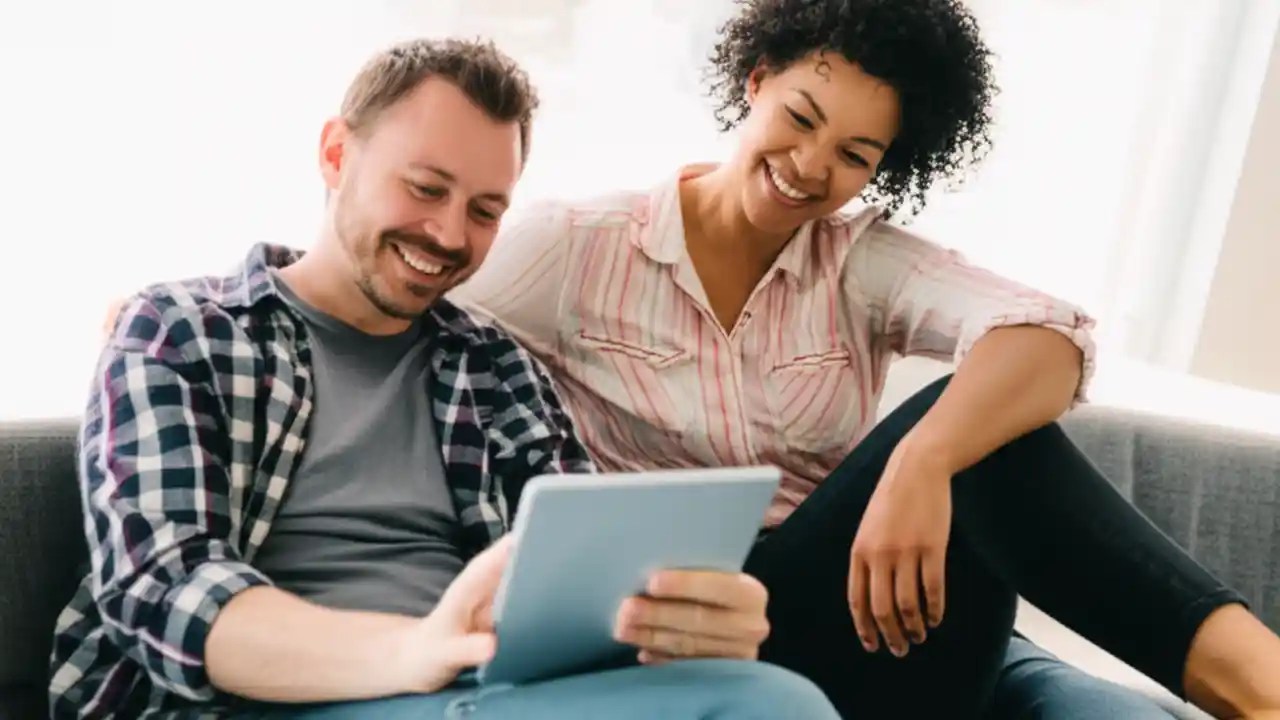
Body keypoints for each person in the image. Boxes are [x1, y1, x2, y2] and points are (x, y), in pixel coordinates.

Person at [446, 0, 1280, 718]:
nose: (812, 168)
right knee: (981, 459)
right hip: (706, 629)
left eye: (856, 155)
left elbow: (1051, 334)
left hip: (880, 622)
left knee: (983, 445)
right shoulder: (575, 247)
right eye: (802, 118)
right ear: (756, 77)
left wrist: (924, 458)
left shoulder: (858, 263)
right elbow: (421, 330)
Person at [50, 38, 839, 720]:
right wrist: (414, 649)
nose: (449, 235)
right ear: (336, 154)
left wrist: (678, 623)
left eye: (486, 210)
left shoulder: (494, 366)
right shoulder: (180, 331)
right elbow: (163, 590)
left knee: (761, 692)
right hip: (265, 700)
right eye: (425, 189)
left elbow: (579, 578)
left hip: (480, 692)